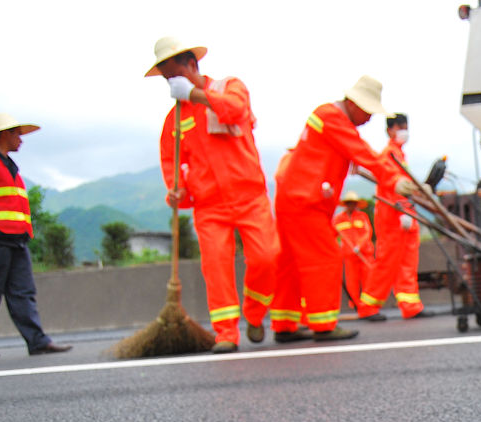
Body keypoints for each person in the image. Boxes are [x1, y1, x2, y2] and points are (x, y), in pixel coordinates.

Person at [147, 36, 279, 353]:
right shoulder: (174, 119)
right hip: (209, 205)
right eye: (167, 79)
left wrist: (195, 94)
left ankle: (254, 314)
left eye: (176, 75)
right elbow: (170, 161)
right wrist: (176, 190)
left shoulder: (230, 87)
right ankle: (226, 333)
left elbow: (235, 111)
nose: (172, 84)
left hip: (249, 196)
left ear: (193, 65)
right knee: (216, 268)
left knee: (267, 257)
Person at [271, 76, 412, 342]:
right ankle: (323, 324)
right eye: (368, 112)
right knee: (325, 259)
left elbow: (350, 153)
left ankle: (284, 324)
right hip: (306, 202)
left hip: (293, 199)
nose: (369, 119)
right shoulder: (333, 117)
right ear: (354, 104)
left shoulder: (328, 117)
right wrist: (395, 180)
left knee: (290, 263)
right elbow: (363, 152)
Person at [0, 113, 71, 359]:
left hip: (16, 240)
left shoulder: (9, 165)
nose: (20, 139)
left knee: (23, 293)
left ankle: (37, 341)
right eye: (17, 134)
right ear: (4, 134)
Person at [356, 113, 425, 321]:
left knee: (407, 261)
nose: (404, 131)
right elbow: (392, 185)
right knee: (387, 261)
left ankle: (410, 305)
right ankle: (368, 306)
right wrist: (402, 211)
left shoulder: (400, 155)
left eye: (405, 126)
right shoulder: (389, 155)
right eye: (400, 127)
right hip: (393, 215)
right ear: (390, 130)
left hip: (404, 214)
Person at [331, 192, 380, 320]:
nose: (351, 206)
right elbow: (332, 235)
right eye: (349, 203)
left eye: (353, 203)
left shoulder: (362, 217)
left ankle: (368, 304)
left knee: (368, 279)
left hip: (364, 253)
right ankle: (356, 304)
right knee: (352, 282)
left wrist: (359, 245)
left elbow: (367, 232)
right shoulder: (338, 219)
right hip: (349, 256)